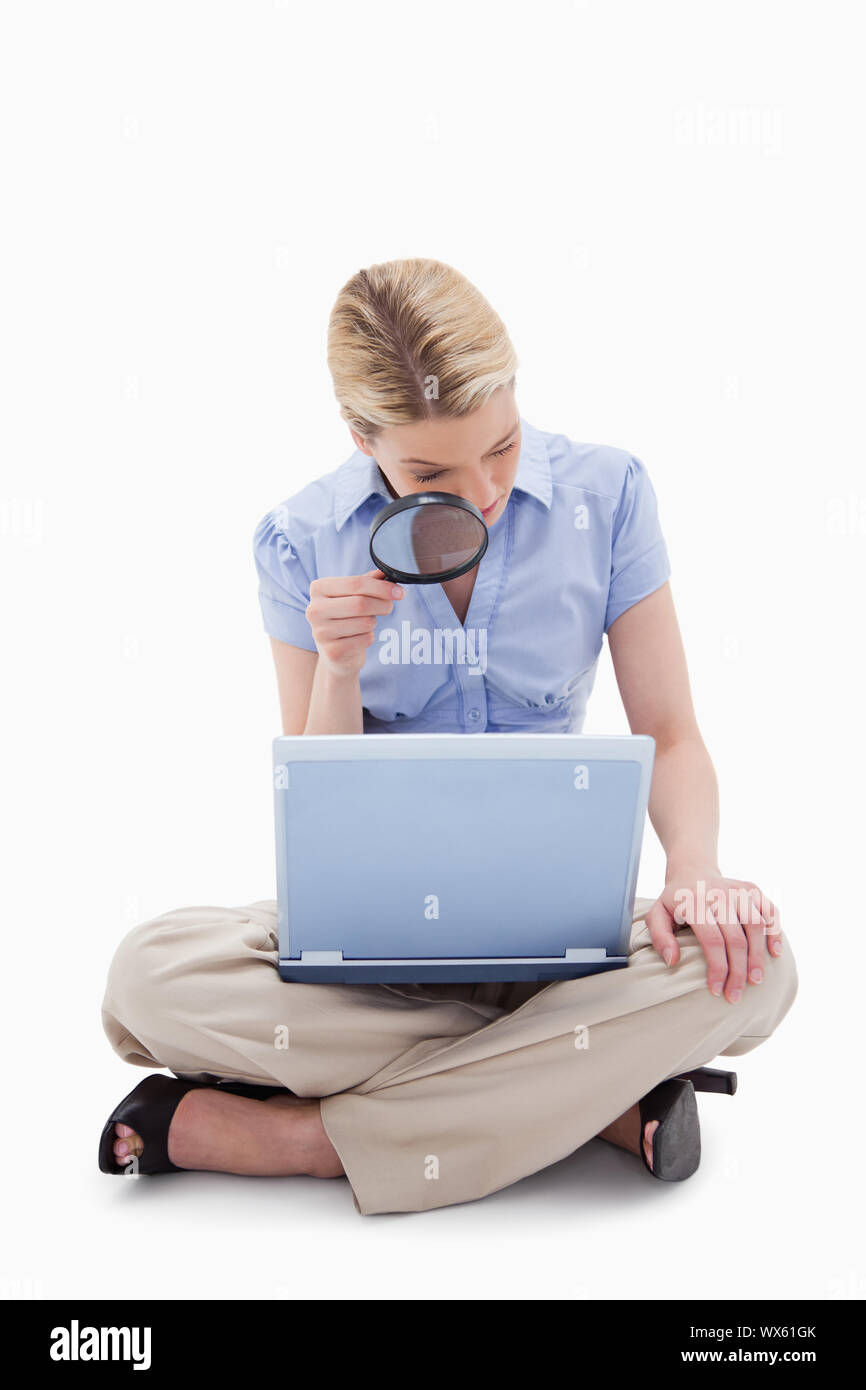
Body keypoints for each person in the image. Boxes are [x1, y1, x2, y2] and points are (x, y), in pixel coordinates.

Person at [99, 258, 797, 1215]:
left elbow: (671, 735)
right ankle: (586, 1095)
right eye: (432, 472)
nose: (485, 492)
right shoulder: (302, 539)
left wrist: (695, 871)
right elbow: (323, 815)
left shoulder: (610, 495)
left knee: (759, 967)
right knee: (147, 977)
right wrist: (338, 670)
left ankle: (303, 1139)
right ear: (362, 438)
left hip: (564, 945)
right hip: (375, 961)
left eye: (502, 446)